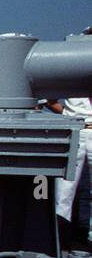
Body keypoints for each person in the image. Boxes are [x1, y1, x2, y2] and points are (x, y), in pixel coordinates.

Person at [49, 96, 92, 241]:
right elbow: (50, 100)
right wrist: (69, 114)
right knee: (64, 187)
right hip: (75, 127)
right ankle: (59, 237)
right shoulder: (76, 76)